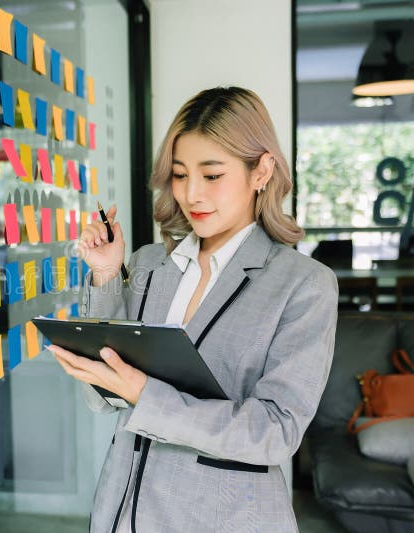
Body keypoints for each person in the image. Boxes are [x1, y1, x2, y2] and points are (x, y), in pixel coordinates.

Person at [47, 86, 338, 532]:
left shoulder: (304, 285)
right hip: (122, 513)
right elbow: (101, 398)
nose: (192, 194)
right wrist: (106, 276)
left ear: (261, 170)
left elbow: (276, 432)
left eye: (212, 175)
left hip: (225, 518)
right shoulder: (147, 264)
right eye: (180, 175)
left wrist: (146, 393)